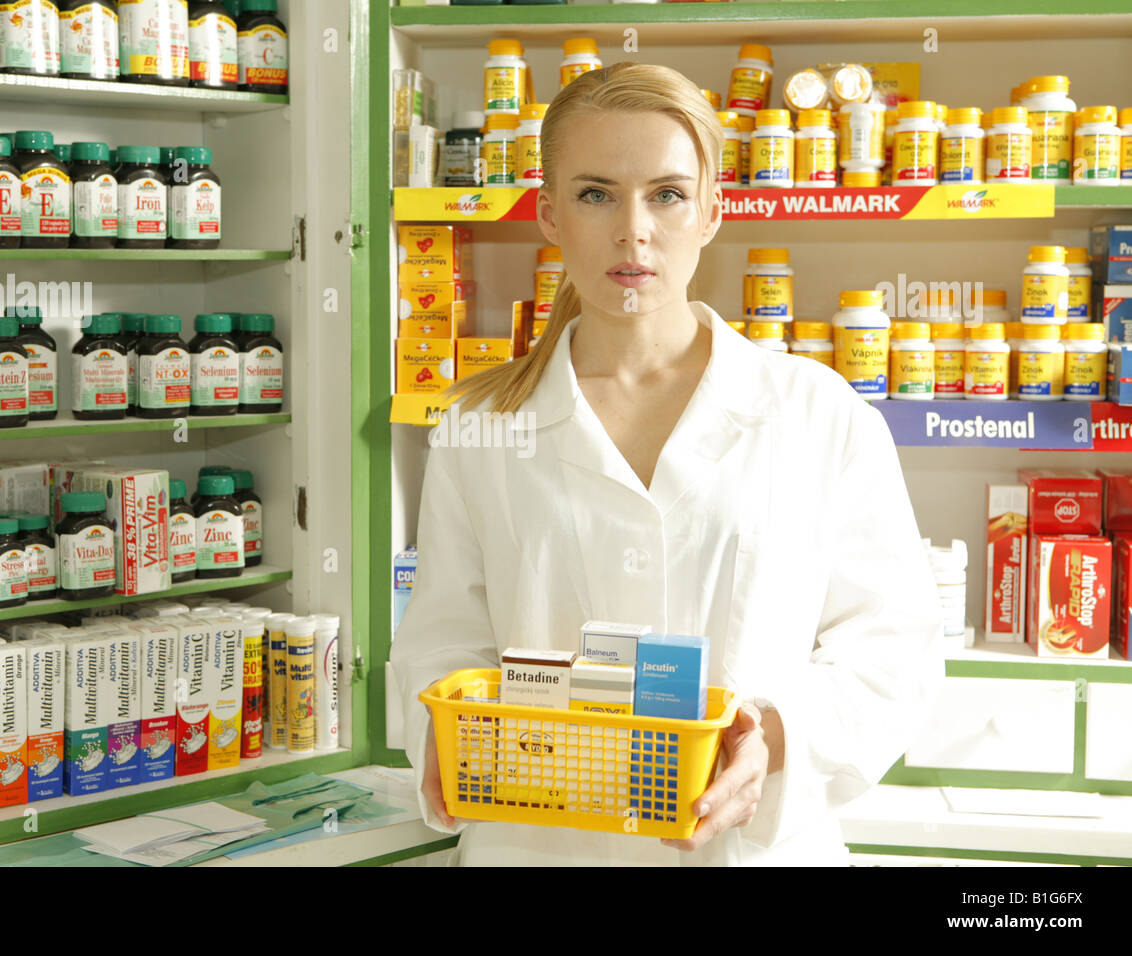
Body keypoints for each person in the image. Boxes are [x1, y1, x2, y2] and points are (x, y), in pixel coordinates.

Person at [388, 62, 944, 866]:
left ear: (712, 212)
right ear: (548, 213)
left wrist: (776, 740)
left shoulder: (817, 413)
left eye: (668, 194)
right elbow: (443, 641)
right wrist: (440, 736)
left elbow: (893, 647)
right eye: (595, 193)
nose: (633, 230)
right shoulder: (481, 426)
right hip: (541, 845)